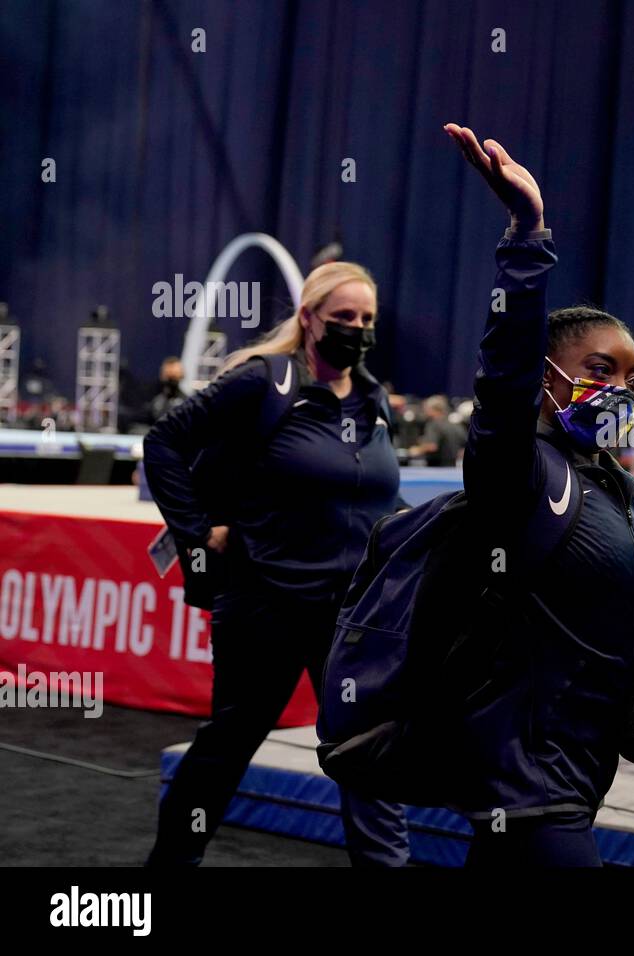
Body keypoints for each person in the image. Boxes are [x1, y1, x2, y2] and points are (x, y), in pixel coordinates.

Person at [444, 122, 634, 866]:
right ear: (550, 377)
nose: (620, 390)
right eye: (601, 369)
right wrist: (527, 235)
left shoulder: (627, 491)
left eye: (633, 379)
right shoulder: (516, 470)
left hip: (583, 777)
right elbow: (503, 373)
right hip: (523, 782)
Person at [142, 261, 410, 866]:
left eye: (366, 318)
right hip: (267, 603)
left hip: (352, 615)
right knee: (228, 747)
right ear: (310, 318)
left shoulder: (373, 400)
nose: (357, 329)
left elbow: (373, 498)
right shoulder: (266, 382)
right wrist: (196, 532)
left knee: (366, 754)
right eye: (343, 317)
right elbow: (163, 444)